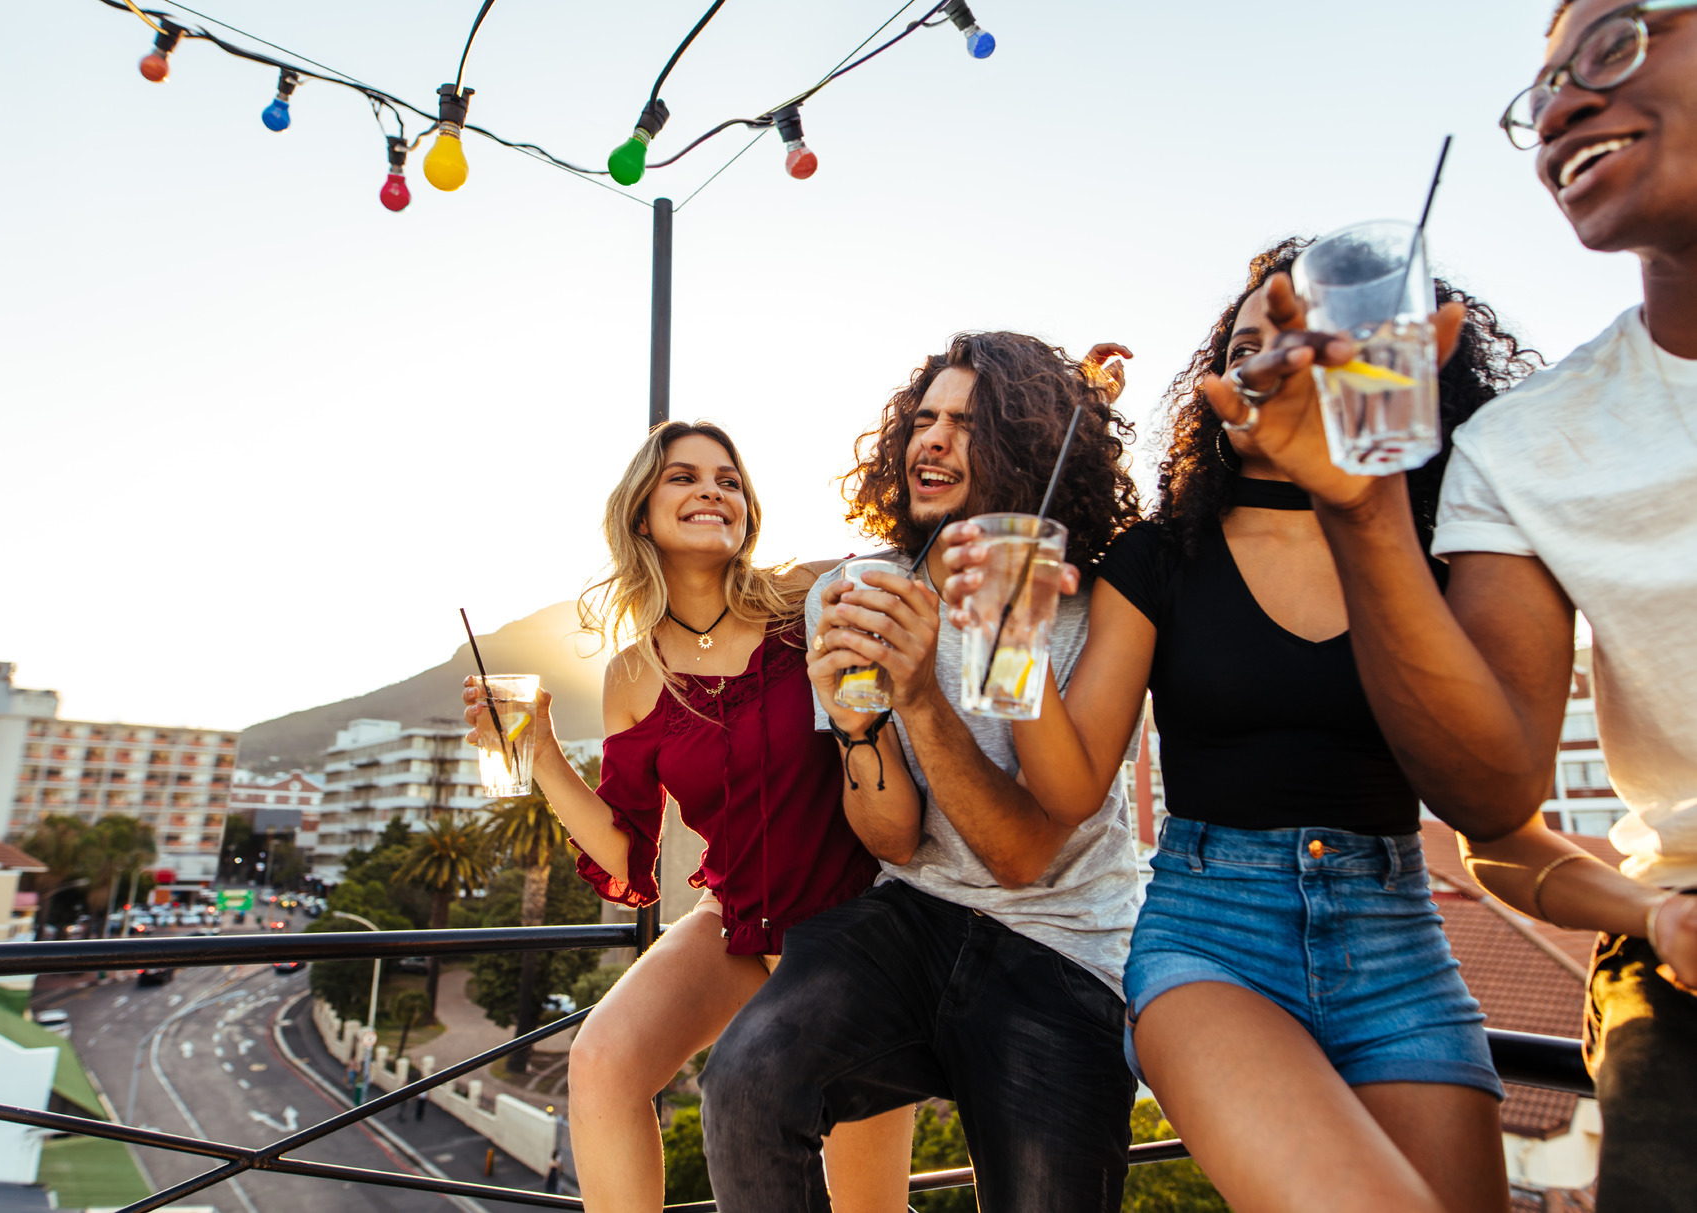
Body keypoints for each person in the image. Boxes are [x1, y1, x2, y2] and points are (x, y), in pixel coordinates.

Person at [1203, 3, 1697, 1207]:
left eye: (1616, 44)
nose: (1562, 108)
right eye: (1541, 93)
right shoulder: (1527, 451)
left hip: (1400, 965)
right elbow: (1489, 802)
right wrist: (1359, 510)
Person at [940, 244, 1538, 1213]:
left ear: (1358, 361)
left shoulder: (1431, 549)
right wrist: (1005, 643)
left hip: (1400, 947)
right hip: (1210, 938)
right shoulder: (1159, 554)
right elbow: (1069, 784)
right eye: (1241, 343)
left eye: (1293, 337)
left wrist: (1368, 494)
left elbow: (1493, 785)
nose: (1260, 362)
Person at [698, 332, 1144, 1212]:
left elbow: (1022, 857)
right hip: (912, 917)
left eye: (968, 424)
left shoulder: (1095, 611)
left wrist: (923, 697)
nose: (930, 440)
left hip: (1063, 943)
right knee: (743, 1085)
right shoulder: (859, 592)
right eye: (924, 418)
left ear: (1026, 449)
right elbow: (893, 833)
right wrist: (862, 727)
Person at [462, 421, 912, 1213]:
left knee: (865, 1206)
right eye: (684, 476)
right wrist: (542, 758)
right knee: (601, 1061)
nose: (712, 489)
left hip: (855, 925)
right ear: (641, 513)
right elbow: (629, 856)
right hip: (737, 917)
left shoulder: (805, 596)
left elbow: (924, 546)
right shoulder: (634, 672)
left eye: (729, 479)